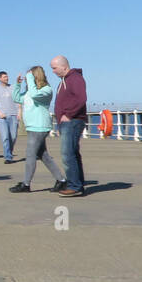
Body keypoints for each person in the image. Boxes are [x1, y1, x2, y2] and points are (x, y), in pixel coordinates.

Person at [9, 67, 66, 193]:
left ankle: (26, 184)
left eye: (30, 77)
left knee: (30, 154)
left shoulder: (46, 90)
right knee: (43, 155)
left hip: (39, 126)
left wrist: (29, 77)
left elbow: (35, 95)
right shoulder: (30, 91)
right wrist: (18, 84)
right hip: (32, 126)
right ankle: (61, 180)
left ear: (35, 77)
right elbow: (17, 98)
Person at [51, 55, 88, 196]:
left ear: (64, 66)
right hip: (66, 122)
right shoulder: (64, 81)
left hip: (73, 121)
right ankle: (78, 184)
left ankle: (74, 186)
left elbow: (81, 98)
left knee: (67, 154)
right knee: (73, 153)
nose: (53, 71)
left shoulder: (75, 79)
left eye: (54, 68)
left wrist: (69, 114)